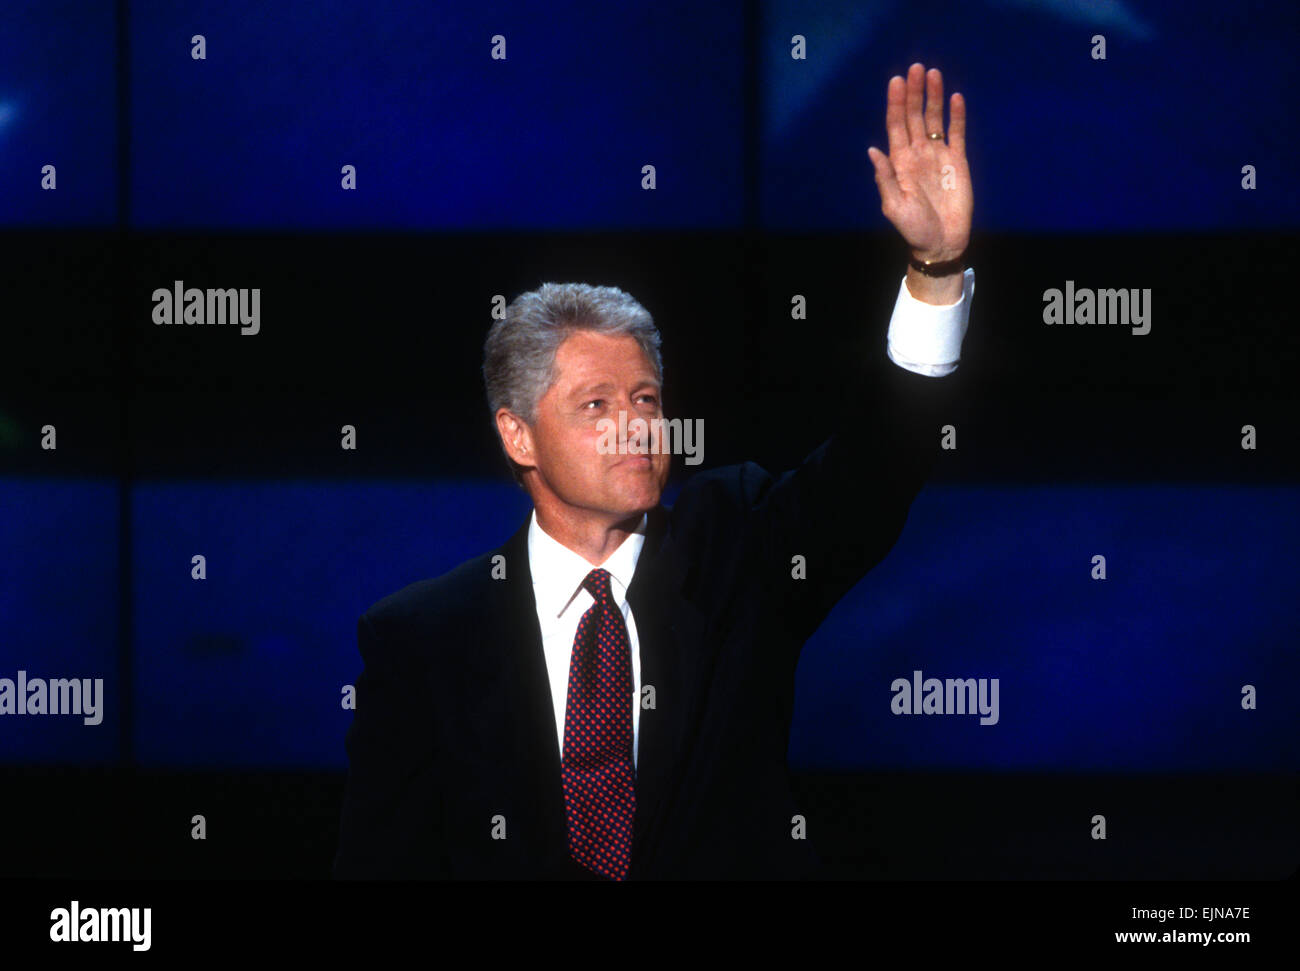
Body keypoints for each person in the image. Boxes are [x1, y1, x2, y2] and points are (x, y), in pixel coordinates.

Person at [334, 63, 975, 879]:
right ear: (518, 436)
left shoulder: (736, 548)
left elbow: (875, 470)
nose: (635, 424)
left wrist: (937, 269)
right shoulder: (421, 638)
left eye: (645, 396)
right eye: (596, 405)